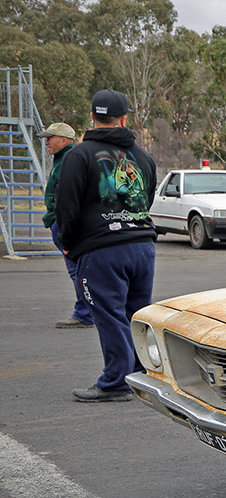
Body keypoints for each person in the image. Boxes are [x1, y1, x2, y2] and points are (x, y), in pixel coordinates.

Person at [54, 89, 158, 403]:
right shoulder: (143, 157)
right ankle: (140, 373)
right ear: (124, 118)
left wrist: (69, 245)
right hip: (142, 244)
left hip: (102, 248)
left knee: (109, 315)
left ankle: (115, 382)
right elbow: (146, 197)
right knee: (135, 313)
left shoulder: (79, 155)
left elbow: (66, 206)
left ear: (92, 118)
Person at [37, 122, 93, 329]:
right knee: (79, 269)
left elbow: (67, 197)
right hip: (61, 222)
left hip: (65, 224)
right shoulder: (63, 159)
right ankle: (87, 311)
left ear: (64, 140)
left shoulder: (69, 160)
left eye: (50, 138)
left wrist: (64, 226)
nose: (47, 143)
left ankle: (85, 313)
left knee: (77, 270)